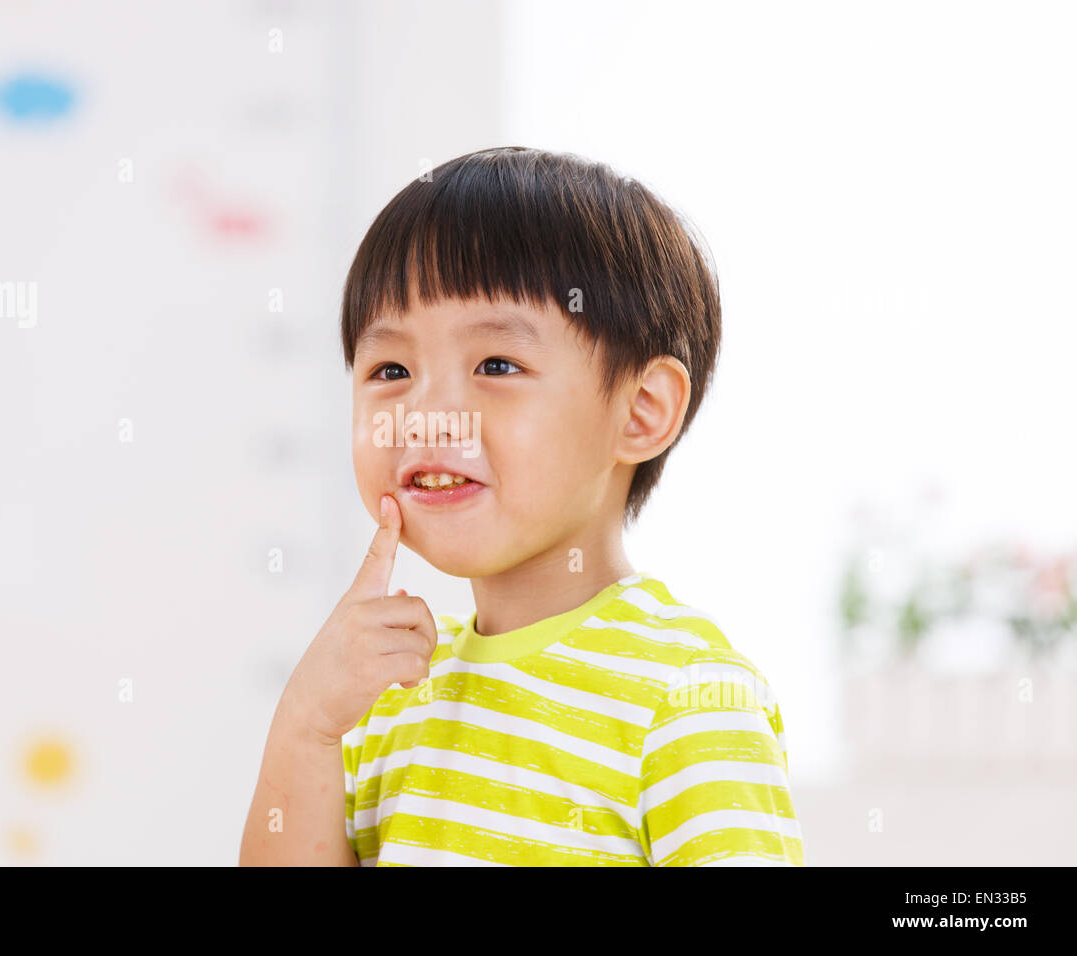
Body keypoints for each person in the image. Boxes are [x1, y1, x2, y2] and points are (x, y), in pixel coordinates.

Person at [240, 146, 804, 866]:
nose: (426, 414)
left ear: (640, 412)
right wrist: (305, 727)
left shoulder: (691, 698)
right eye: (391, 370)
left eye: (496, 366)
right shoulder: (386, 699)